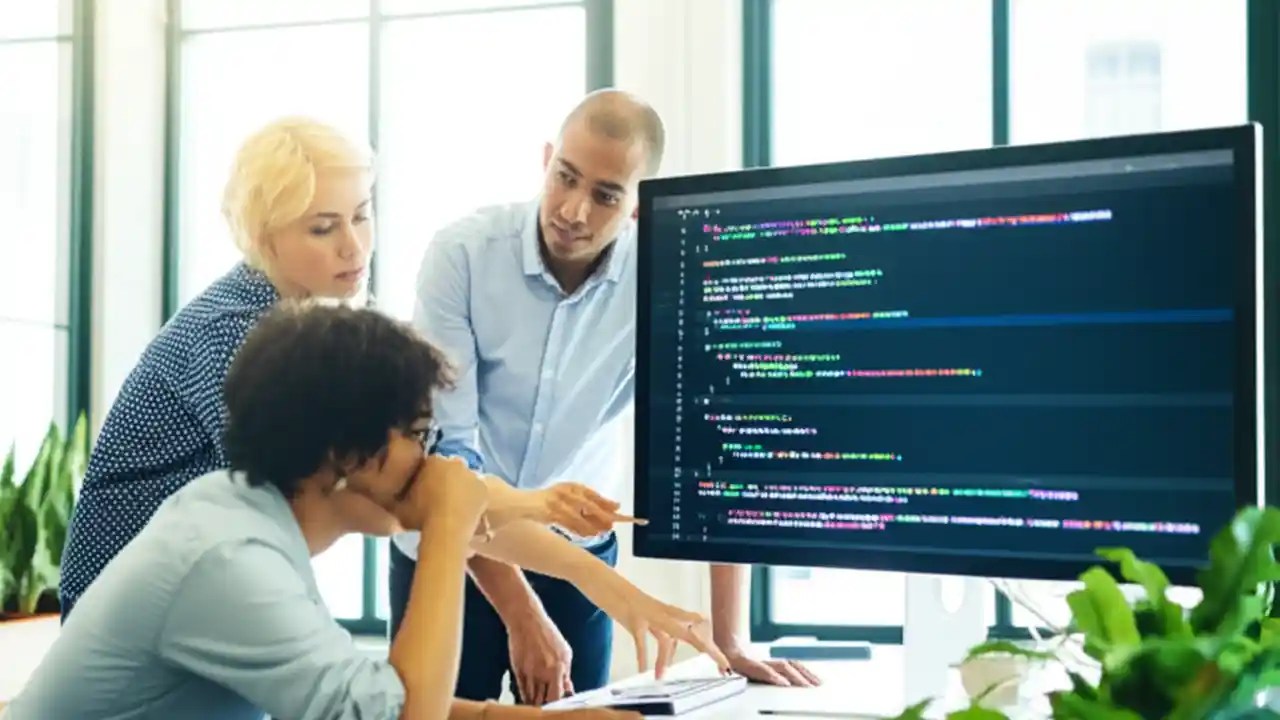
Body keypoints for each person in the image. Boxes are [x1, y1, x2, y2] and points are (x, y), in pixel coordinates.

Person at [3, 302, 656, 719]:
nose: (436, 467)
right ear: (347, 452)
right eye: (421, 440)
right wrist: (448, 526)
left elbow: (369, 699)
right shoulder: (227, 559)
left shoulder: (243, 521)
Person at [390, 89, 821, 706]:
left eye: (605, 194)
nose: (573, 210)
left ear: (639, 204)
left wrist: (731, 637)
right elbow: (449, 462)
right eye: (565, 177)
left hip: (576, 554)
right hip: (449, 553)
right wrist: (523, 615)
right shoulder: (461, 255)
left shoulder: (667, 276)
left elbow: (714, 443)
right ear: (546, 160)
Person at [58, 116, 380, 617]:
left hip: (199, 581)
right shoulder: (234, 330)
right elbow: (297, 489)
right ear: (263, 237)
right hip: (128, 603)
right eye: (323, 227)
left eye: (361, 215)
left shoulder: (307, 327)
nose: (353, 246)